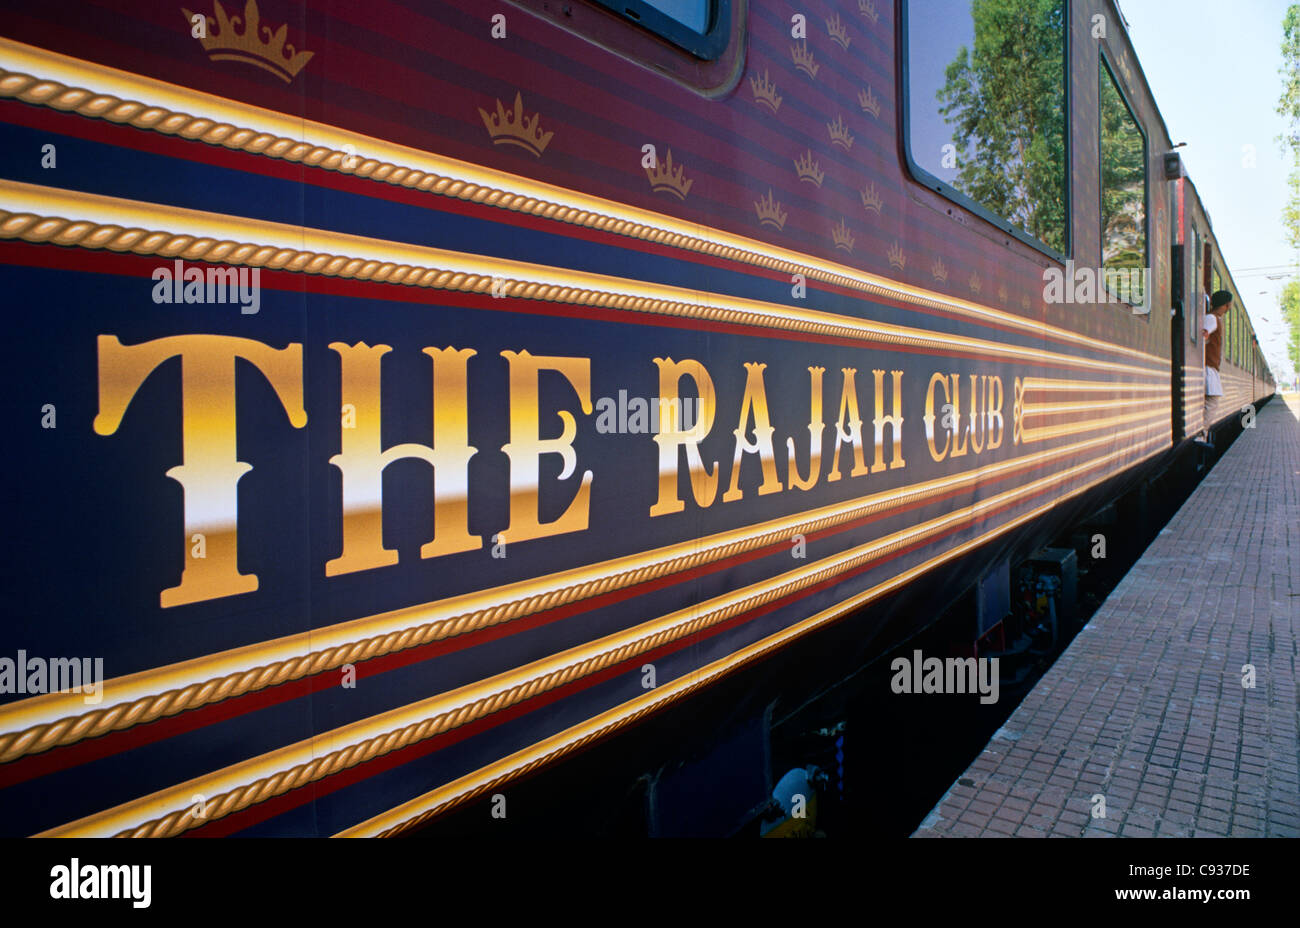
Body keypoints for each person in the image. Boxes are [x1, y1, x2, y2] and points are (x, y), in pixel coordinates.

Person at [1197, 289, 1232, 445]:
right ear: (1226, 304)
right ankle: (1200, 433)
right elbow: (1203, 334)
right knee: (1212, 401)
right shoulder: (1212, 318)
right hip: (1208, 367)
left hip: (1209, 366)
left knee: (1210, 401)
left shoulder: (1213, 318)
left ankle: (1201, 432)